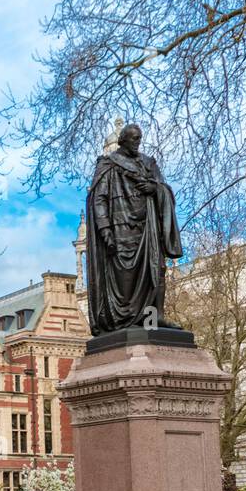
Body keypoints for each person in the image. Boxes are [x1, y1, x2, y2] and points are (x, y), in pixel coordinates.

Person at [86, 122, 184, 335]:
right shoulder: (108, 164)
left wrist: (155, 188)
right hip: (121, 230)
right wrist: (105, 230)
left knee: (156, 270)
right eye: (133, 140)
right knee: (125, 279)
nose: (137, 144)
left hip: (148, 228)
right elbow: (99, 199)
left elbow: (164, 188)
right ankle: (124, 320)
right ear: (122, 140)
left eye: (139, 139)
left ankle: (154, 317)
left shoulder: (148, 163)